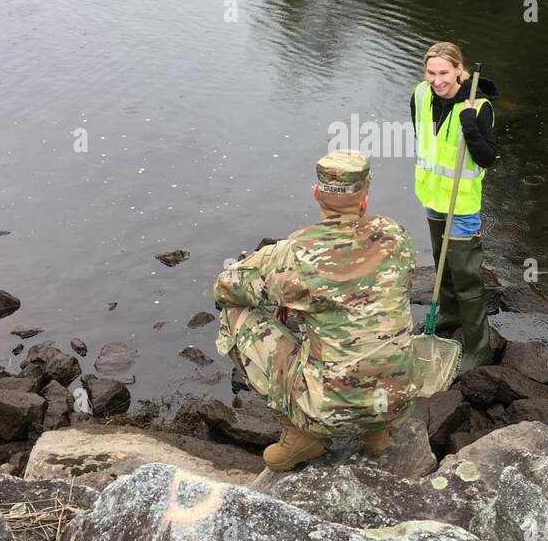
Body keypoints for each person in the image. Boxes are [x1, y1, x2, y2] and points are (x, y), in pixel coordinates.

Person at [213, 150, 422, 471]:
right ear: (365, 197)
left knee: (233, 314)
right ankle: (376, 430)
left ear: (316, 195)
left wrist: (285, 293)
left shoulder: (297, 252)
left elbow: (226, 287)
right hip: (398, 401)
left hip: (329, 412)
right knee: (374, 323)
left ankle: (300, 434)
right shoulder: (396, 235)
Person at [410, 41, 498, 371]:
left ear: (459, 70)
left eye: (444, 72)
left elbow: (487, 157)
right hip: (432, 196)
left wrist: (470, 124)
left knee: (466, 275)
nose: (437, 80)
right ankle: (448, 313)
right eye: (431, 72)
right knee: (441, 260)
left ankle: (479, 347)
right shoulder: (420, 95)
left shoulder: (480, 106)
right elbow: (424, 140)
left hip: (461, 204)